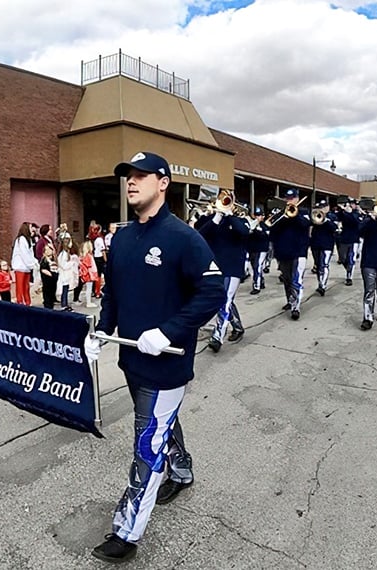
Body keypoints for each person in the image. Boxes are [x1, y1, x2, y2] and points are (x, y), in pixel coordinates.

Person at [85, 151, 224, 563]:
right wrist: (101, 330)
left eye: (142, 176)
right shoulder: (123, 238)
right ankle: (181, 468)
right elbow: (113, 293)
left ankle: (126, 531)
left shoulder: (183, 238)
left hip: (167, 364)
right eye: (128, 176)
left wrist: (168, 331)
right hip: (132, 361)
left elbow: (212, 293)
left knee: (147, 441)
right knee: (162, 423)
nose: (131, 182)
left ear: (163, 183)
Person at [196, 190, 250, 352]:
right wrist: (217, 217)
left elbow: (244, 232)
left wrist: (229, 215)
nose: (225, 202)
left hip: (233, 267)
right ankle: (238, 326)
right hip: (214, 267)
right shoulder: (209, 219)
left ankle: (217, 337)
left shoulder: (240, 219)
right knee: (223, 300)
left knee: (225, 300)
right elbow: (199, 234)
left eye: (228, 200)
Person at [269, 188, 311, 320]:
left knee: (296, 280)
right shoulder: (279, 214)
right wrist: (283, 217)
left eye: (292, 198)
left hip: (298, 252)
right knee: (287, 280)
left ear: (297, 199)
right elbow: (272, 229)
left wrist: (294, 214)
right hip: (283, 252)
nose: (290, 200)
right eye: (287, 198)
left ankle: (295, 307)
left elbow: (305, 224)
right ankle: (290, 300)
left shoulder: (303, 212)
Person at [309, 200, 338, 296]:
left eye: (324, 207)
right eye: (321, 207)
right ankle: (320, 283)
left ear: (328, 207)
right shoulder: (314, 215)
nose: (322, 209)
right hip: (315, 244)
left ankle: (323, 285)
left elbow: (335, 228)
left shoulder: (332, 216)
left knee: (324, 265)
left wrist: (326, 221)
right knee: (318, 265)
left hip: (327, 245)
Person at [336, 198, 361, 286]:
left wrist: (349, 213)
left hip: (354, 239)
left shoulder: (357, 214)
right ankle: (348, 269)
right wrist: (342, 209)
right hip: (344, 238)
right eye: (350, 204)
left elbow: (355, 222)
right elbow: (338, 217)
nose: (351, 205)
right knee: (342, 258)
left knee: (351, 258)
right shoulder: (344, 213)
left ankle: (349, 277)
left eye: (353, 204)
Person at [11, 222, 36, 305]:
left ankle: (28, 302)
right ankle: (20, 302)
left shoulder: (28, 239)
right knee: (20, 287)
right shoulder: (21, 239)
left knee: (26, 286)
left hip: (26, 266)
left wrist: (33, 262)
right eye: (30, 227)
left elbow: (30, 253)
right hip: (21, 266)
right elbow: (24, 253)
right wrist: (31, 264)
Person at [245, 206, 269, 295]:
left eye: (259, 215)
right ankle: (261, 281)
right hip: (252, 249)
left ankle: (256, 286)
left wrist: (258, 231)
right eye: (256, 215)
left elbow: (266, 236)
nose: (257, 217)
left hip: (261, 249)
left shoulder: (265, 225)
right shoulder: (251, 223)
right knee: (255, 267)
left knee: (257, 266)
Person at [56, 237, 77, 311]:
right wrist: (72, 263)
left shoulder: (66, 253)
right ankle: (64, 305)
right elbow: (64, 265)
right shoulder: (63, 254)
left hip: (67, 275)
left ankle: (66, 303)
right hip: (64, 274)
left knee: (66, 290)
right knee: (64, 290)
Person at [79, 240, 98, 308]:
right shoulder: (88, 256)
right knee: (89, 289)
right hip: (90, 275)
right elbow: (89, 266)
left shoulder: (84, 256)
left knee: (88, 288)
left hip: (88, 274)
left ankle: (89, 302)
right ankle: (88, 302)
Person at [39, 244, 58, 309]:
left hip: (53, 282)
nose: (48, 251)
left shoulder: (53, 259)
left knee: (52, 297)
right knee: (47, 298)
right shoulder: (44, 260)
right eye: (46, 249)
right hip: (47, 281)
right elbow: (43, 269)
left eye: (49, 249)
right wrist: (51, 274)